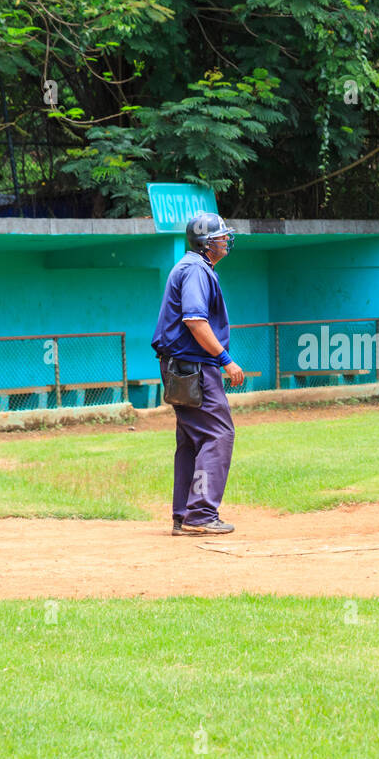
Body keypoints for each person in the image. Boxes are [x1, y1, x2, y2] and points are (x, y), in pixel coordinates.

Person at [151, 212, 246, 535]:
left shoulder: (193, 267)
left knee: (192, 439)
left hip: (182, 367)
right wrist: (225, 359)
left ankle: (184, 514)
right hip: (193, 368)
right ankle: (201, 514)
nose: (225, 241)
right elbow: (194, 319)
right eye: (220, 236)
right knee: (218, 434)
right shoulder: (195, 270)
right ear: (207, 244)